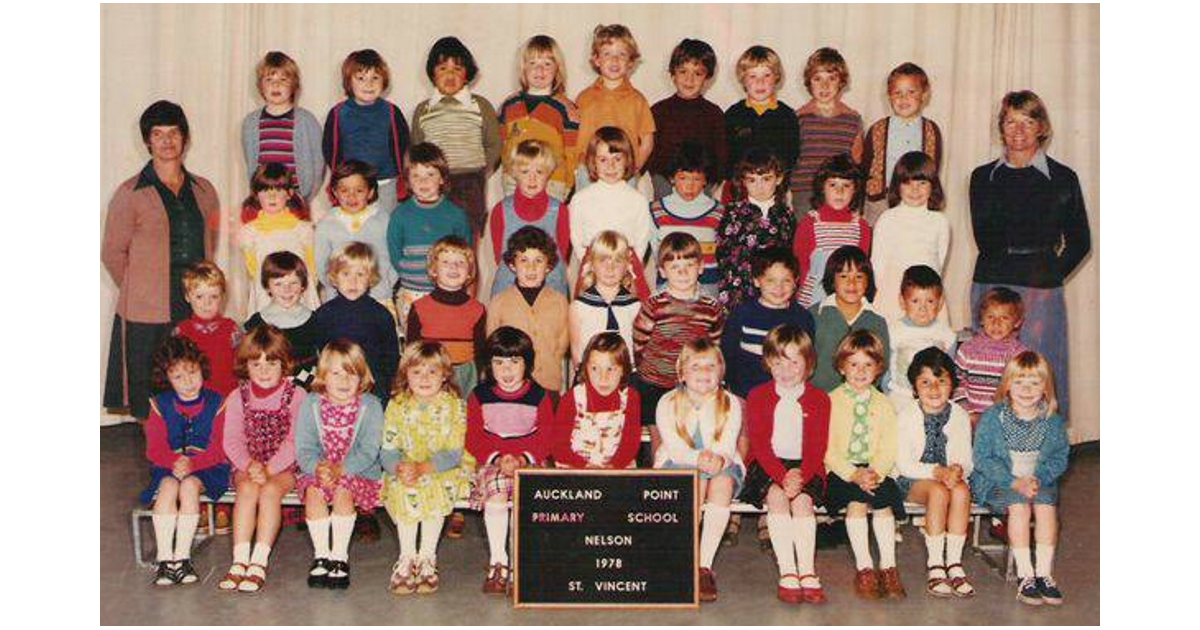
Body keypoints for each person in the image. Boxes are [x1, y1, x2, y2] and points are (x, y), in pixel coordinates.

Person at [969, 90, 1091, 418]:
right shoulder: (983, 177)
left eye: (1028, 121)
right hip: (992, 285)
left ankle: (1037, 463)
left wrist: (1047, 274)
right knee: (989, 375)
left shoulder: (1063, 178)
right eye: (1011, 121)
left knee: (1037, 375)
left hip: (1042, 291)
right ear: (1001, 128)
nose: (1019, 130)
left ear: (1042, 127)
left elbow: (1080, 241)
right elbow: (985, 237)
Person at [103, 100, 219, 421]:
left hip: (192, 301)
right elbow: (112, 252)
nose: (167, 141)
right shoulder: (129, 193)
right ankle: (156, 456)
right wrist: (138, 288)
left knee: (193, 378)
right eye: (158, 134)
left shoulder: (205, 190)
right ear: (147, 141)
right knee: (147, 385)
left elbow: (212, 240)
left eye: (174, 133)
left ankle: (192, 450)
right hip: (146, 308)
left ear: (185, 138)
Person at [739, 326, 830, 604]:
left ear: (809, 364)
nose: (787, 370)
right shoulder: (758, 396)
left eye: (794, 362)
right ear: (768, 362)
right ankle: (787, 571)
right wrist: (781, 476)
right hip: (767, 464)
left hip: (807, 466)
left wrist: (800, 476)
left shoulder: (819, 399)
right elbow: (761, 446)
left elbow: (817, 447)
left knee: (802, 503)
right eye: (779, 362)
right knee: (778, 498)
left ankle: (807, 570)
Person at [971, 351, 1069, 606]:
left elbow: (1059, 457)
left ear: (1046, 389)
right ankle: (1025, 575)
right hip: (998, 481)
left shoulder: (1052, 421)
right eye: (1019, 382)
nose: (1026, 389)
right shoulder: (994, 417)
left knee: (1047, 507)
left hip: (1037, 479)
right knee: (1019, 506)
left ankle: (1044, 574)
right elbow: (982, 458)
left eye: (1034, 383)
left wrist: (1039, 477)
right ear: (1007, 386)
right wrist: (1014, 481)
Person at [381, 341, 476, 595]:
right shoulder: (397, 405)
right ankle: (407, 556)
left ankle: (427, 557)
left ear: (444, 374)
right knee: (402, 486)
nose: (424, 378)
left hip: (442, 466)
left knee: (435, 486)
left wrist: (424, 467)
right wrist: (398, 467)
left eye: (432, 372)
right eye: (417, 372)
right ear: (405, 375)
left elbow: (454, 452)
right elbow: (388, 449)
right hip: (406, 466)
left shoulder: (454, 406)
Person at [465, 327, 555, 594]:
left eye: (514, 362)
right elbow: (474, 437)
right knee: (496, 495)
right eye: (498, 362)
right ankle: (498, 561)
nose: (506, 370)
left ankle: (520, 563)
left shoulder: (540, 396)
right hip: (493, 462)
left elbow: (546, 437)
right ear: (488, 365)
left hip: (529, 462)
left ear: (527, 364)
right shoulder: (479, 396)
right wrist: (498, 458)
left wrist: (523, 458)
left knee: (527, 498)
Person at [654, 339, 744, 602]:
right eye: (696, 366)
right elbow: (674, 447)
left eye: (711, 366)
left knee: (721, 485)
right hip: (678, 462)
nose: (704, 372)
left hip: (720, 464)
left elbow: (727, 443)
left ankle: (704, 565)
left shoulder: (730, 402)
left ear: (721, 371)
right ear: (681, 373)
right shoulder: (667, 402)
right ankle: (685, 560)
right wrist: (698, 459)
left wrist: (719, 459)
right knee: (694, 483)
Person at [218, 326, 303, 593]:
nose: (264, 371)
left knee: (269, 492)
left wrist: (270, 468)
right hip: (249, 464)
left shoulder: (297, 395)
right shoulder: (238, 396)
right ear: (246, 366)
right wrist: (249, 465)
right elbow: (231, 439)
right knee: (246, 488)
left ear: (284, 364)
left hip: (285, 465)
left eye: (272, 363)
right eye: (257, 364)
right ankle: (240, 560)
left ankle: (258, 561)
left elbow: (295, 440)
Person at [296, 340, 384, 590]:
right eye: (336, 373)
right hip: (320, 470)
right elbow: (304, 447)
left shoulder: (371, 406)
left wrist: (340, 470)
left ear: (362, 377)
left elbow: (369, 450)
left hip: (358, 471)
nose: (344, 381)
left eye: (351, 374)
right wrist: (318, 468)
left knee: (344, 493)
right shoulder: (311, 404)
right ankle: (321, 555)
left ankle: (339, 557)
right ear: (323, 376)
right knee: (314, 493)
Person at [823, 329, 905, 600]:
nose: (860, 371)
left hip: (874, 471)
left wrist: (876, 472)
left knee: (883, 507)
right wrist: (852, 473)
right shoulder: (831, 401)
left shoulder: (883, 404)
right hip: (842, 472)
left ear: (878, 369)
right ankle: (865, 568)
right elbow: (827, 449)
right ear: (841, 367)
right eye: (853, 364)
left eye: (868, 365)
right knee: (857, 504)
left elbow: (889, 445)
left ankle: (889, 568)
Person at [142, 337, 229, 586]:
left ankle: (182, 557)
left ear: (202, 369)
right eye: (178, 377)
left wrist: (193, 464)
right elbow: (154, 450)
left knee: (189, 486)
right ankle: (164, 559)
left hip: (208, 467)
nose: (188, 382)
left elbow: (219, 449)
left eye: (192, 373)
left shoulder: (217, 402)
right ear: (167, 378)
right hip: (169, 466)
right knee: (168, 488)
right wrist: (174, 462)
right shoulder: (159, 404)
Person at [632, 233, 725, 457]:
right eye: (675, 267)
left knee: (690, 439)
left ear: (701, 267)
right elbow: (639, 343)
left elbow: (714, 348)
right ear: (663, 271)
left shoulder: (711, 308)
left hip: (693, 387)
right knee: (661, 443)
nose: (683, 272)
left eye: (689, 265)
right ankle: (658, 483)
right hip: (655, 384)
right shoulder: (654, 305)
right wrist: (654, 370)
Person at [895, 347, 975, 598]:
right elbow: (904, 464)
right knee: (939, 492)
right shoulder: (906, 416)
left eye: (941, 381)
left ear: (952, 385)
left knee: (961, 490)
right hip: (912, 479)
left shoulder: (959, 415)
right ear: (914, 387)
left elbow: (966, 459)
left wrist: (958, 469)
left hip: (946, 477)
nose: (933, 389)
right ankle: (935, 564)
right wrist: (938, 472)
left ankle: (954, 562)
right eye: (925, 382)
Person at [412, 36, 502, 237]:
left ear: (467, 74)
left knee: (466, 239)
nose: (450, 75)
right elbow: (417, 150)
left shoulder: (479, 105)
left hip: (470, 183)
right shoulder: (424, 110)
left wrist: (481, 171)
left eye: (457, 69)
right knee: (436, 239)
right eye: (443, 69)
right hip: (435, 183)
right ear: (432, 74)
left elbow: (494, 144)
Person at [386, 143, 473, 328]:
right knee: (415, 346)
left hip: (447, 292)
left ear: (442, 179)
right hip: (411, 293)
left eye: (430, 175)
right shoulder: (400, 215)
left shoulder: (456, 215)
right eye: (416, 176)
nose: (423, 182)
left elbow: (468, 256)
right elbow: (395, 255)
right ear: (408, 181)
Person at [721, 247, 815, 400]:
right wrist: (730, 387)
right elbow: (728, 355)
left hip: (788, 396)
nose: (779, 287)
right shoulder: (742, 314)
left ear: (796, 281)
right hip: (745, 396)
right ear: (757, 281)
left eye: (786, 280)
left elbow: (807, 360)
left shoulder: (803, 318)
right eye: (771, 280)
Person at [311, 242, 400, 401]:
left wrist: (386, 388)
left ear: (371, 278)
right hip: (336, 389)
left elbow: (391, 357)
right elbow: (320, 355)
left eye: (360, 274)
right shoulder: (324, 315)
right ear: (334, 277)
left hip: (373, 390)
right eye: (346, 274)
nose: (353, 282)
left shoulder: (381, 314)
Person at [322, 48, 411, 209]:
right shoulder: (338, 113)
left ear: (384, 81)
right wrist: (341, 179)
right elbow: (330, 149)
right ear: (349, 82)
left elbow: (403, 145)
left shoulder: (391, 112)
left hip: (386, 183)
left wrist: (402, 177)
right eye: (361, 78)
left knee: (384, 227)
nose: (369, 84)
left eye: (375, 78)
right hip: (351, 186)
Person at [485, 227, 570, 393]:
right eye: (524, 260)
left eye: (538, 260)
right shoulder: (499, 302)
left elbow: (561, 345)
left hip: (548, 384)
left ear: (548, 266)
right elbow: (493, 345)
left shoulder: (560, 302)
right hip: (510, 387)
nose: (531, 268)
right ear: (512, 265)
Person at [869, 151, 950, 323]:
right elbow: (878, 264)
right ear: (897, 186)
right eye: (907, 183)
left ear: (933, 186)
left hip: (927, 295)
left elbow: (939, 263)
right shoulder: (887, 219)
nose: (915, 190)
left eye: (922, 183)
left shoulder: (940, 222)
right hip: (893, 295)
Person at [498, 34, 580, 201]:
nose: (540, 70)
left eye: (547, 64)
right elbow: (503, 145)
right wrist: (508, 173)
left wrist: (569, 184)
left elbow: (572, 152)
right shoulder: (509, 105)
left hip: (553, 182)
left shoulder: (566, 109)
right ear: (523, 68)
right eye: (533, 63)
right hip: (515, 181)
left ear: (557, 69)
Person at [861, 63, 944, 226]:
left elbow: (933, 167)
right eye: (897, 93)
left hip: (916, 199)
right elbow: (864, 168)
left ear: (924, 95)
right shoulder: (877, 129)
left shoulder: (931, 130)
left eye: (911, 92)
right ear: (889, 96)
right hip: (880, 201)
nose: (903, 98)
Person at [487, 139, 572, 298]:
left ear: (549, 173)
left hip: (551, 293)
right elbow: (499, 256)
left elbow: (562, 255)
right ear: (514, 172)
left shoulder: (560, 211)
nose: (532, 179)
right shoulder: (501, 210)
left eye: (539, 172)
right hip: (509, 293)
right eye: (525, 172)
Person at [574, 23, 655, 189]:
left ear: (631, 62)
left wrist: (635, 166)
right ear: (596, 59)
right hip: (588, 172)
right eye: (607, 54)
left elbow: (647, 140)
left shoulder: (638, 100)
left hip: (624, 172)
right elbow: (575, 137)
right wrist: (576, 167)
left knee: (623, 213)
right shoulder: (584, 98)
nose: (614, 60)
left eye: (622, 54)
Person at [715, 148, 797, 309]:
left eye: (766, 179)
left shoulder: (786, 215)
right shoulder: (733, 212)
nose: (760, 187)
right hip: (741, 291)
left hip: (776, 292)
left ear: (779, 178)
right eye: (752, 180)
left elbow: (790, 256)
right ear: (743, 181)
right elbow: (723, 255)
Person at [406, 236, 487, 396]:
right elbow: (412, 352)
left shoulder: (478, 309)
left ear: (470, 272)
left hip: (465, 377)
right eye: (446, 262)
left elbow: (480, 352)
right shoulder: (419, 307)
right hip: (429, 376)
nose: (454, 267)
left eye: (460, 262)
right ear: (434, 270)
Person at [647, 39, 728, 199]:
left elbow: (721, 154)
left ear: (708, 77)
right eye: (683, 72)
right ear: (673, 73)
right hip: (666, 183)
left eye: (697, 73)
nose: (689, 80)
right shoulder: (659, 111)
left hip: (701, 184)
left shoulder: (713, 114)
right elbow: (651, 152)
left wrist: (715, 180)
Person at [241, 51, 325, 202]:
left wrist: (305, 197)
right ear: (260, 86)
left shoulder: (307, 121)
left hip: (296, 198)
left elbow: (318, 163)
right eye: (269, 80)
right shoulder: (250, 123)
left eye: (283, 80)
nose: (276, 85)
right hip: (265, 199)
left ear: (294, 86)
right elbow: (251, 161)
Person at [551, 332, 642, 469]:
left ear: (623, 369)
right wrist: (586, 466)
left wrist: (613, 467)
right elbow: (558, 446)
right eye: (595, 369)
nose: (603, 377)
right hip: (576, 469)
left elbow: (631, 444)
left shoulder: (631, 398)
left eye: (611, 369)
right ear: (585, 368)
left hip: (617, 470)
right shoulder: (571, 399)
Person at [569, 127, 655, 271]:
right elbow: (576, 236)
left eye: (617, 159)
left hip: (628, 269)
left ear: (627, 160)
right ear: (593, 162)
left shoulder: (638, 200)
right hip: (592, 269)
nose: (611, 166)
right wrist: (589, 265)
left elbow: (642, 238)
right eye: (603, 160)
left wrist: (630, 269)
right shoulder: (580, 199)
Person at [790, 47, 864, 212]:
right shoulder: (798, 118)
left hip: (841, 194)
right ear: (809, 82)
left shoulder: (853, 119)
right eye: (818, 79)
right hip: (805, 194)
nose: (825, 85)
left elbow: (856, 163)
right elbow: (791, 161)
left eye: (831, 78)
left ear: (841, 81)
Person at [793, 153, 871, 308]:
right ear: (822, 188)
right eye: (833, 185)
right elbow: (800, 267)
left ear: (855, 189)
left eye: (846, 186)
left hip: (849, 300)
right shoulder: (810, 223)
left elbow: (862, 272)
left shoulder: (861, 227)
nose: (839, 192)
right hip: (814, 300)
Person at [238, 163, 318, 312]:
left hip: (300, 299)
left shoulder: (303, 230)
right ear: (256, 194)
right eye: (265, 190)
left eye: (278, 190)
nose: (272, 196)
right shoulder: (249, 232)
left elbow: (312, 271)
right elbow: (254, 273)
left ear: (289, 193)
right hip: (266, 300)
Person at [648, 142, 725, 298]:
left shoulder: (718, 212)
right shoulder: (656, 210)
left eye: (696, 179)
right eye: (683, 178)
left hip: (708, 285)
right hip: (668, 285)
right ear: (671, 178)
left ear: (705, 180)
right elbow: (656, 251)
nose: (689, 186)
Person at [809, 246, 890, 392]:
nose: (851, 283)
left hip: (861, 401)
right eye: (844, 276)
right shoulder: (814, 315)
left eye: (859, 277)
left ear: (867, 282)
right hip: (819, 397)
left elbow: (882, 365)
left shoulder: (877, 322)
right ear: (832, 280)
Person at [315, 160, 396, 304]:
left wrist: (387, 284)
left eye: (359, 191)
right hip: (339, 298)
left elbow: (393, 256)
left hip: (379, 297)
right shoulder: (326, 224)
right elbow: (321, 265)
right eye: (344, 190)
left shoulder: (383, 221)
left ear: (370, 192)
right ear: (335, 192)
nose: (351, 196)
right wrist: (333, 287)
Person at [723, 46, 799, 198]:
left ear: (776, 78)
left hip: (774, 191)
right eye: (753, 76)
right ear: (743, 80)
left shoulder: (787, 116)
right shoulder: (733, 114)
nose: (760, 82)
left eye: (766, 75)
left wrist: (784, 185)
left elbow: (791, 155)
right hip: (740, 191)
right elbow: (726, 155)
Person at [883, 265, 956, 410]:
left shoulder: (947, 335)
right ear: (902, 301)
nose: (923, 308)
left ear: (940, 302)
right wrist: (888, 392)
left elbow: (948, 373)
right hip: (900, 396)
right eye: (915, 301)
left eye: (930, 301)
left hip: (933, 398)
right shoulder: (893, 331)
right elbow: (885, 369)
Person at [953, 287, 1028, 427]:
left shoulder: (1020, 355)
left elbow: (1024, 389)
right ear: (981, 319)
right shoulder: (967, 350)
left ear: (1017, 322)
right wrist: (968, 414)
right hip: (970, 421)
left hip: (1005, 422)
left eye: (1004, 318)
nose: (996, 323)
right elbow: (957, 384)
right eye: (990, 317)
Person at [244, 252, 321, 386]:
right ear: (267, 286)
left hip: (307, 392)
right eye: (278, 284)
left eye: (293, 283)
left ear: (303, 285)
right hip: (269, 392)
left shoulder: (315, 320)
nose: (287, 290)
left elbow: (324, 363)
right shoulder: (256, 323)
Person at [568, 230, 642, 369]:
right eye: (603, 260)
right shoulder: (578, 307)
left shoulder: (635, 306)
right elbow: (577, 355)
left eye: (617, 261)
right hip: (590, 377)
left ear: (627, 265)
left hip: (627, 377)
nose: (610, 268)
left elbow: (639, 351)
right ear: (591, 264)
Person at [171, 261, 243, 396]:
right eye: (199, 297)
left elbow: (244, 367)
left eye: (214, 296)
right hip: (193, 399)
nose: (207, 303)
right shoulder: (180, 332)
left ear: (222, 297)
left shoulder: (232, 330)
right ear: (187, 297)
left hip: (227, 399)